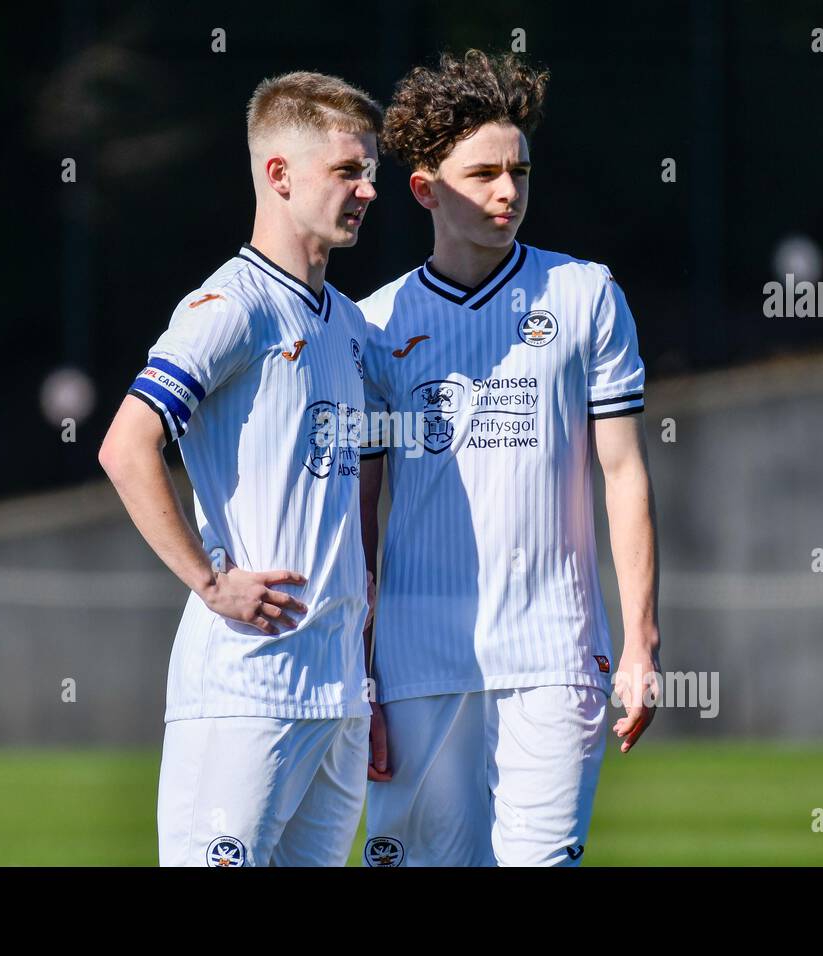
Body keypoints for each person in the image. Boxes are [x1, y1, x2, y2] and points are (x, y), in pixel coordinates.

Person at [357, 50, 662, 867]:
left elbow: (625, 475)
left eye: (519, 171)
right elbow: (360, 517)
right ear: (426, 190)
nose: (508, 192)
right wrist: (360, 671)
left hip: (555, 656)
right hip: (417, 664)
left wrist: (639, 643)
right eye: (483, 173)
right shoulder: (373, 324)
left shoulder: (585, 294)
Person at [98, 71, 381, 867]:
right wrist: (210, 580)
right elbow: (125, 446)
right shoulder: (231, 306)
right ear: (280, 174)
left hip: (335, 697)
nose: (366, 190)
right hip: (246, 692)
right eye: (347, 171)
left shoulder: (350, 325)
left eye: (371, 173)